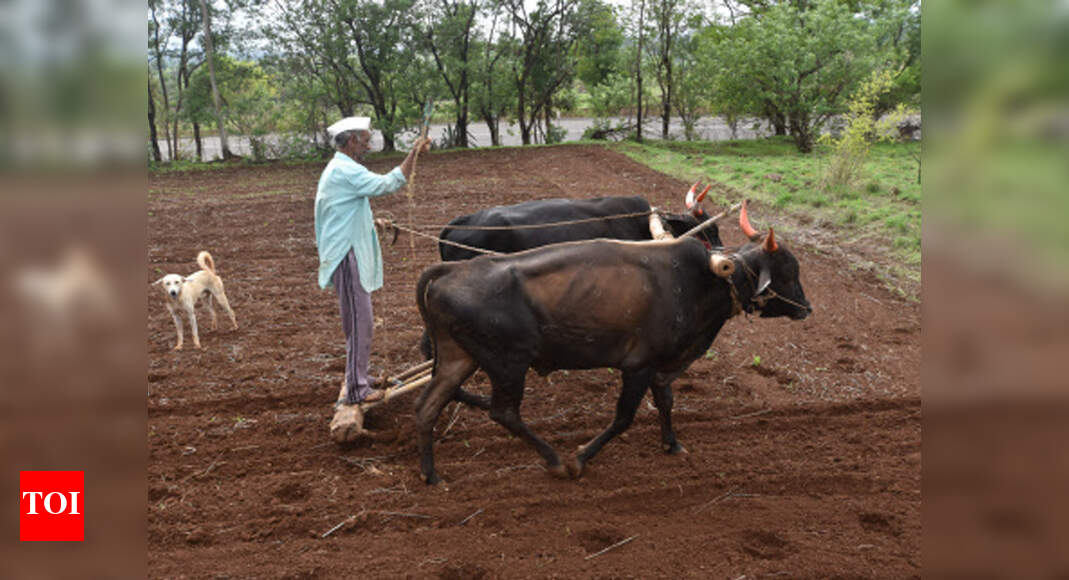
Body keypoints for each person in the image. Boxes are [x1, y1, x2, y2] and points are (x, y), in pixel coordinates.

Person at [315, 116, 430, 424]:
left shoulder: (343, 168)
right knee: (360, 322)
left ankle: (358, 380)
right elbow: (387, 184)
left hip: (347, 250)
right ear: (351, 141)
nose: (367, 145)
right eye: (364, 140)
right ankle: (355, 388)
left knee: (360, 321)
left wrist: (370, 222)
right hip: (345, 255)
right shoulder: (344, 170)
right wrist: (414, 154)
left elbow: (346, 209)